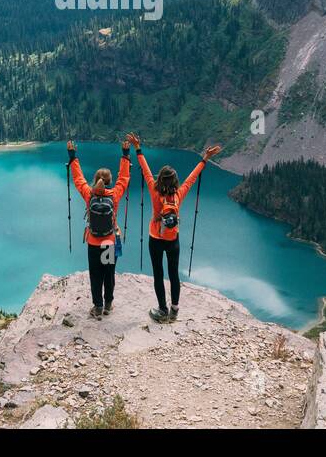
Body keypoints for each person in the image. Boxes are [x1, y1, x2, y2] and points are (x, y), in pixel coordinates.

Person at [127, 134, 221, 323]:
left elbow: (145, 171)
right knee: (173, 274)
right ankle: (174, 310)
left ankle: (162, 310)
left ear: (160, 179)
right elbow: (192, 179)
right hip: (172, 240)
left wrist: (138, 148)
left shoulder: (154, 190)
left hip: (155, 238)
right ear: (175, 180)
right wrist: (205, 159)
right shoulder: (178, 195)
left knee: (158, 274)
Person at [67, 138, 131, 318]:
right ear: (110, 181)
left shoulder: (89, 194)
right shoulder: (115, 194)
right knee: (108, 273)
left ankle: (97, 307)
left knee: (95, 275)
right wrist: (125, 156)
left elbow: (78, 179)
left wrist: (73, 157)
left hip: (93, 242)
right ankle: (108, 304)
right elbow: (124, 179)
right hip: (109, 241)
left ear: (95, 180)